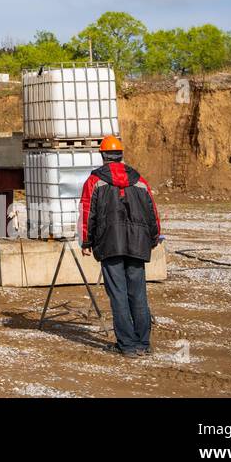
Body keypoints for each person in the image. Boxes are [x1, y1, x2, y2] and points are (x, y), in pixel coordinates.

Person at [80, 135, 164, 357]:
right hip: (138, 244)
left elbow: (87, 213)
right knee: (138, 294)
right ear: (121, 155)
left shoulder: (94, 181)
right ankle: (143, 344)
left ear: (103, 155)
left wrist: (86, 241)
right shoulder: (140, 180)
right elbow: (152, 213)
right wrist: (154, 238)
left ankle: (126, 345)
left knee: (118, 295)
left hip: (109, 244)